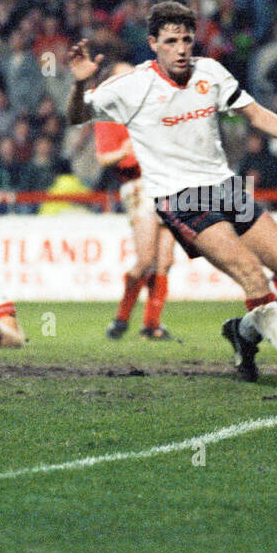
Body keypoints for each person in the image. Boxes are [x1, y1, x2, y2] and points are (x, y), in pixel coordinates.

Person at [67, 0, 277, 392]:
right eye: (171, 41)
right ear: (153, 43)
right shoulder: (132, 85)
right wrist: (79, 83)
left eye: (187, 39)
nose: (182, 48)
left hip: (225, 187)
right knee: (252, 277)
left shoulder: (211, 72)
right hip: (180, 198)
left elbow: (254, 113)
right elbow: (75, 117)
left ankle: (244, 333)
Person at [95, 57, 176, 341]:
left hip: (167, 181)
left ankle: (151, 324)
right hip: (138, 185)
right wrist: (125, 150)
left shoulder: (153, 109)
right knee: (145, 260)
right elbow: (104, 158)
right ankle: (120, 319)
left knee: (165, 260)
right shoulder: (109, 116)